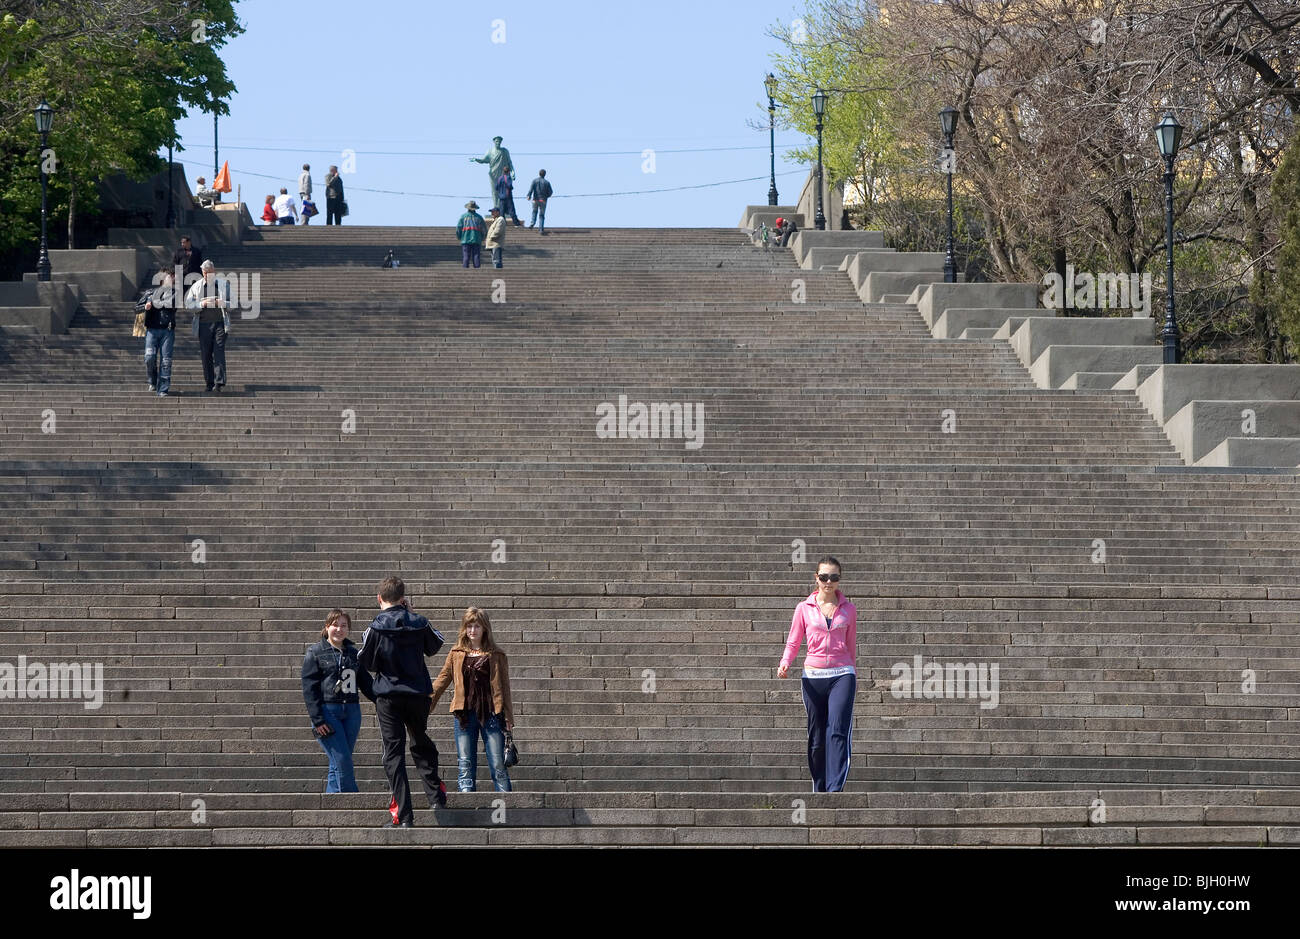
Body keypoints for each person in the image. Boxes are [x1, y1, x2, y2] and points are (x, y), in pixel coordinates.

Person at [357, 576, 448, 826]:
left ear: (379, 598)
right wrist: (412, 614)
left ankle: (404, 816)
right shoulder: (419, 622)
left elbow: (364, 659)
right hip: (417, 693)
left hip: (389, 695)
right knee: (420, 741)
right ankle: (435, 795)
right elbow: (436, 644)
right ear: (403, 597)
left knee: (393, 753)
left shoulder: (375, 626)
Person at [777, 556, 857, 793]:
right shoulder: (804, 608)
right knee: (817, 736)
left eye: (834, 577)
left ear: (839, 580)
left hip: (842, 674)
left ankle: (835, 788)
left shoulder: (849, 609)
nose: (828, 582)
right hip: (813, 677)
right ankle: (820, 787)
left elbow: (851, 644)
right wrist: (785, 663)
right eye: (824, 577)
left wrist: (852, 673)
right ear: (816, 578)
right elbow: (793, 641)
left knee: (837, 730)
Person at [431, 607, 515, 792]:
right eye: (469, 626)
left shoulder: (496, 655)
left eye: (477, 626)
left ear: (485, 628)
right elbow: (442, 680)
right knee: (465, 765)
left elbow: (505, 688)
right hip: (464, 714)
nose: (472, 631)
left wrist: (508, 717)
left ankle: (506, 811)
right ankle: (467, 808)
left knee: (498, 764)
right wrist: (426, 703)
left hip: (491, 713)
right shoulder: (456, 653)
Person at [302, 610, 375, 793]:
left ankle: (333, 802)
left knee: (340, 761)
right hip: (329, 712)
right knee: (342, 759)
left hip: (352, 712)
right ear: (327, 627)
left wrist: (385, 700)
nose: (339, 629)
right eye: (335, 625)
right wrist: (318, 720)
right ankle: (353, 800)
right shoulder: (315, 652)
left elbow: (367, 684)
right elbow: (309, 690)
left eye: (343, 625)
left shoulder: (354, 653)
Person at [185, 258, 231, 393]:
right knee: (206, 354)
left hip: (220, 324)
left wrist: (222, 303)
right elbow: (188, 304)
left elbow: (233, 303)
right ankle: (209, 382)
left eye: (209, 273)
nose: (207, 275)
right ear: (202, 272)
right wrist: (201, 304)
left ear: (214, 271)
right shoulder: (196, 286)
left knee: (219, 351)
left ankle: (219, 382)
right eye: (205, 273)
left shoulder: (223, 285)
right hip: (203, 324)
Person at [142, 270, 177, 397]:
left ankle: (163, 389)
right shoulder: (149, 293)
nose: (172, 280)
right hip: (151, 330)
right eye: (169, 278)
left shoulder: (175, 293)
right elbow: (137, 307)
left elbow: (171, 305)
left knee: (166, 361)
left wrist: (154, 303)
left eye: (172, 279)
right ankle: (152, 380)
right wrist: (145, 305)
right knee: (149, 357)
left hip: (167, 330)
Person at [471, 136, 514, 210]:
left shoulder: (504, 151)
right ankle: (496, 206)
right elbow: (483, 160)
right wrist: (476, 159)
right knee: (494, 191)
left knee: (504, 191)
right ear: (494, 142)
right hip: (493, 175)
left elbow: (509, 162)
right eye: (497, 141)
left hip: (503, 175)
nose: (498, 143)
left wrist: (513, 172)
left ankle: (504, 208)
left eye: (499, 141)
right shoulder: (490, 151)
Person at [457, 201, 487, 268]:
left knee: (466, 256)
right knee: (476, 255)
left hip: (465, 239)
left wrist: (459, 237)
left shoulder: (463, 217)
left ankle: (465, 270)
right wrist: (483, 238)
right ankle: (477, 270)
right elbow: (484, 229)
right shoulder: (479, 217)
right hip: (476, 239)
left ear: (468, 208)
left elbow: (458, 228)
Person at [526, 169, 552, 235]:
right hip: (543, 200)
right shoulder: (547, 182)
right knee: (541, 215)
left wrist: (528, 195)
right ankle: (540, 228)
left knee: (534, 212)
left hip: (535, 199)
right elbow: (550, 192)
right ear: (545, 174)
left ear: (539, 174)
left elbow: (531, 189)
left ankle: (532, 223)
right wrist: (546, 196)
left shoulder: (534, 181)